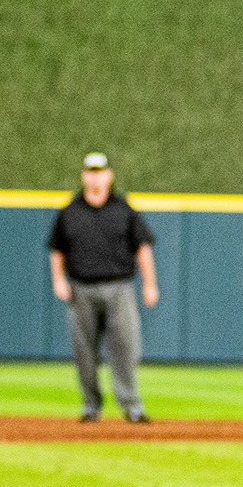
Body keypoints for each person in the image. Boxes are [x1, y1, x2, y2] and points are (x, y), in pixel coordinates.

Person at [48, 152, 158, 424]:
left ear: (109, 176)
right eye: (90, 172)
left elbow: (142, 248)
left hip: (119, 286)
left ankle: (131, 405)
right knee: (84, 352)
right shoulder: (70, 211)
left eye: (99, 172)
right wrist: (58, 280)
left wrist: (150, 284)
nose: (95, 177)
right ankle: (90, 406)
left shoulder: (124, 209)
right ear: (84, 176)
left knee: (125, 348)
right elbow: (57, 249)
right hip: (81, 288)